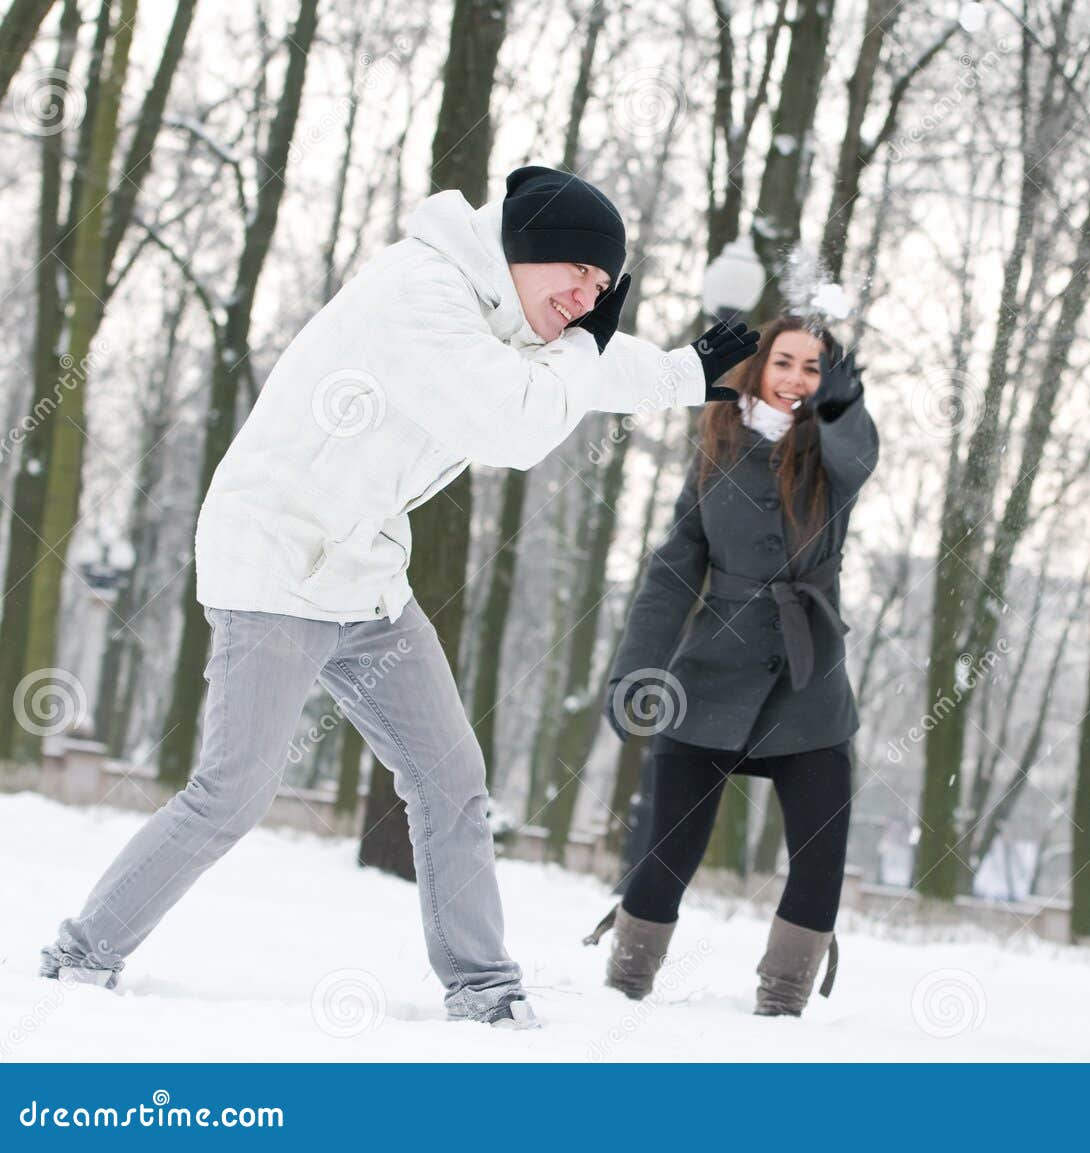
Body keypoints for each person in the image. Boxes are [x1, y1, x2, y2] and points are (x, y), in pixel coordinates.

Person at [38, 165, 758, 1029]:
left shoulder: (501, 311)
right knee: (232, 789)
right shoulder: (423, 294)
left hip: (364, 573)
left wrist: (689, 371)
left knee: (450, 778)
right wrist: (582, 345)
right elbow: (517, 422)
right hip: (278, 557)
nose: (587, 297)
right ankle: (81, 955)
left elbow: (584, 370)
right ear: (533, 249)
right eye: (582, 275)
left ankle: (485, 988)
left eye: (603, 288)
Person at [585, 317, 878, 1017]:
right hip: (710, 676)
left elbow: (856, 455)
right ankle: (625, 986)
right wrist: (635, 669)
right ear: (757, 368)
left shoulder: (833, 456)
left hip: (808, 686)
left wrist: (841, 408)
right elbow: (671, 572)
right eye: (784, 362)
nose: (796, 380)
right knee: (666, 849)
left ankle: (782, 1003)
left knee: (820, 851)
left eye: (814, 368)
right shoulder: (716, 448)